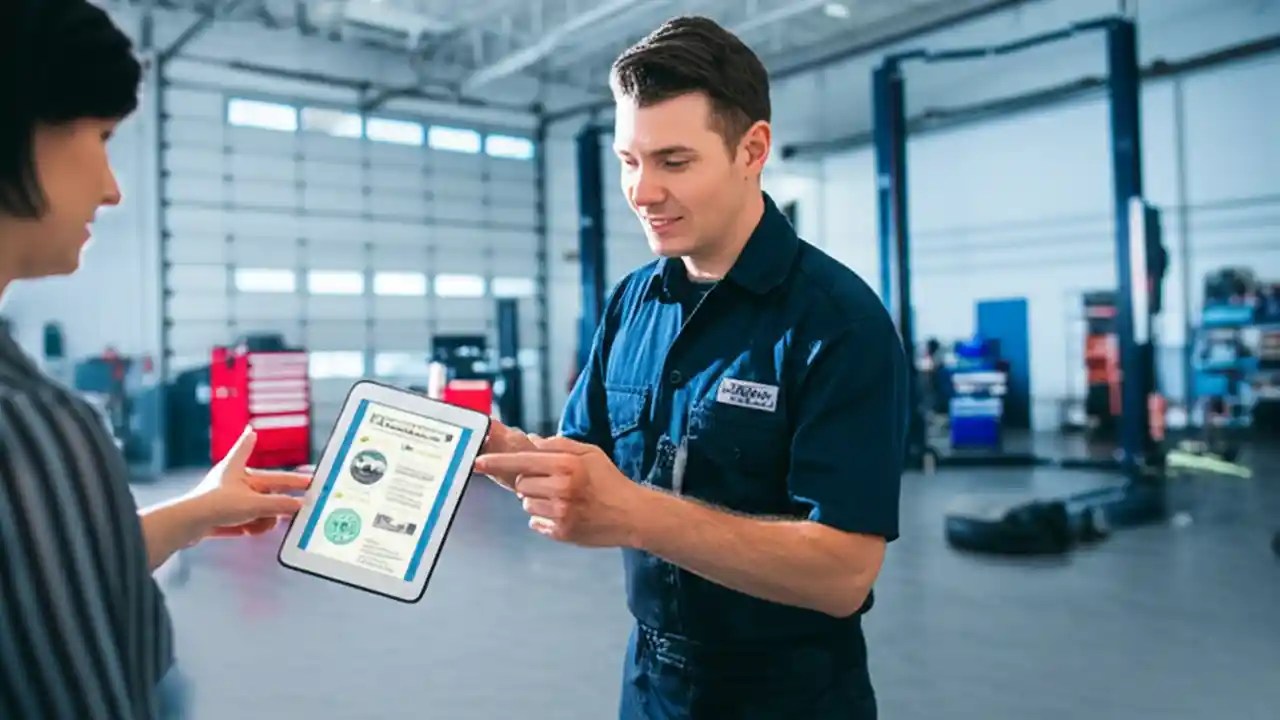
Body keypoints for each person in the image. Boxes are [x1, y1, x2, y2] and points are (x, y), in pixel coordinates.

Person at [476, 16, 907, 720]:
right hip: (651, 683)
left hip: (789, 696)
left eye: (673, 162)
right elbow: (589, 457)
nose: (642, 193)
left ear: (752, 150)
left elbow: (842, 575)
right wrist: (509, 451)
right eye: (628, 160)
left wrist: (638, 515)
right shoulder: (632, 302)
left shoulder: (837, 324)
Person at [0, 1, 312, 717]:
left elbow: (35, 580)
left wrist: (191, 516)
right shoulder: (29, 427)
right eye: (102, 137)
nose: (112, 188)